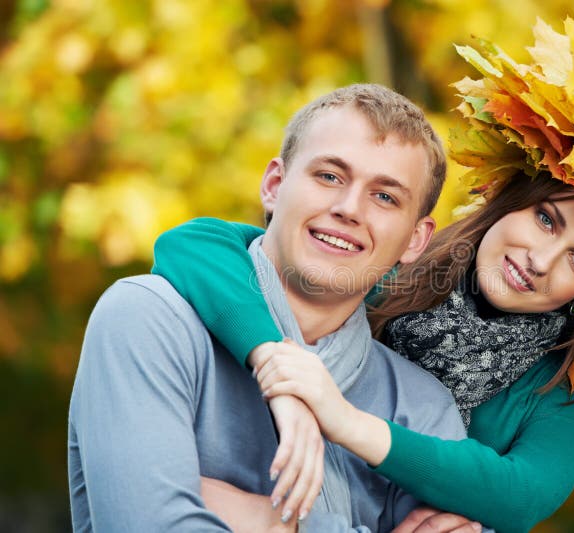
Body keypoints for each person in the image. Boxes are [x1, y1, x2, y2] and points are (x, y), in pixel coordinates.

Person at [150, 9, 574, 533]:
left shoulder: (566, 392)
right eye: (546, 219)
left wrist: (348, 423)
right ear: (508, 202)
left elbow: (517, 497)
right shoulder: (383, 273)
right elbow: (194, 244)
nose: (540, 261)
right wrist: (270, 356)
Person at [67, 83, 478, 532]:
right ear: (274, 185)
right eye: (329, 176)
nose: (348, 208)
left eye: (385, 197)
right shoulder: (149, 319)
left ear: (416, 239)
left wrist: (274, 522)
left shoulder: (421, 408)